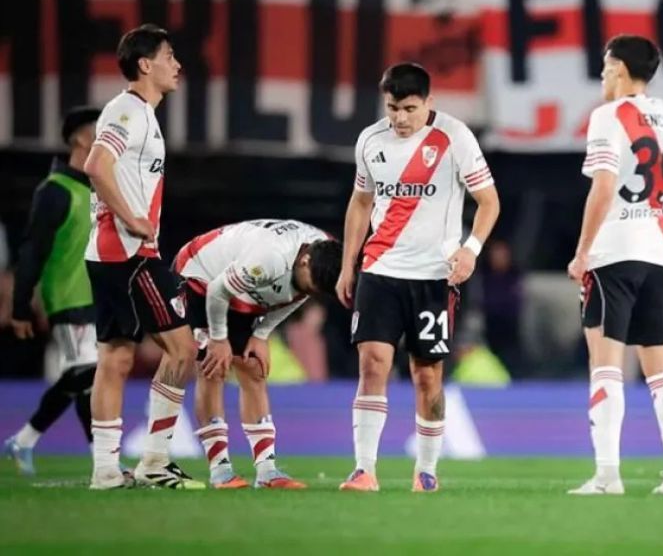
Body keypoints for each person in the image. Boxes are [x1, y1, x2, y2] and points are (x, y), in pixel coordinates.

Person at [567, 34, 663, 495]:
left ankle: (607, 476)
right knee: (661, 370)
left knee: (605, 365)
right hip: (656, 257)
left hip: (612, 252)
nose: (602, 77)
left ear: (619, 68)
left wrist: (582, 251)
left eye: (604, 68)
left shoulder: (608, 115)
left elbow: (602, 188)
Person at [336, 62, 500, 493]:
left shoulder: (454, 137)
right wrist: (348, 264)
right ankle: (364, 470)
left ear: (429, 102)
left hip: (433, 276)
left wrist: (471, 249)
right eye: (393, 108)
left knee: (427, 375)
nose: (401, 118)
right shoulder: (371, 140)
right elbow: (360, 201)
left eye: (410, 108)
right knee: (373, 364)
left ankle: (426, 471)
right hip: (381, 270)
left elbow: (489, 201)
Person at [83, 24, 202, 490]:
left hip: (109, 254)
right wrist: (130, 217)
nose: (177, 65)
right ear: (145, 64)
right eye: (169, 56)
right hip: (130, 255)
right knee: (182, 349)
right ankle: (154, 461)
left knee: (115, 358)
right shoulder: (128, 110)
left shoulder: (140, 114)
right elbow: (96, 165)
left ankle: (105, 471)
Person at [174, 219, 342, 490]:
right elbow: (218, 290)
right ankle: (220, 470)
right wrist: (218, 338)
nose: (310, 292)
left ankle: (267, 472)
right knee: (213, 367)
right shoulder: (269, 258)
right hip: (202, 276)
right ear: (304, 261)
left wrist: (261, 334)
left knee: (253, 368)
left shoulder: (327, 255)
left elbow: (299, 294)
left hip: (244, 288)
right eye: (311, 285)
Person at [4, 108, 102, 476]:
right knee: (89, 372)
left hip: (93, 297)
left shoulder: (95, 189)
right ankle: (24, 439)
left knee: (87, 383)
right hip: (67, 297)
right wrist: (20, 306)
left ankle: (102, 462)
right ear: (79, 138)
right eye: (99, 130)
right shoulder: (55, 191)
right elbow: (32, 250)